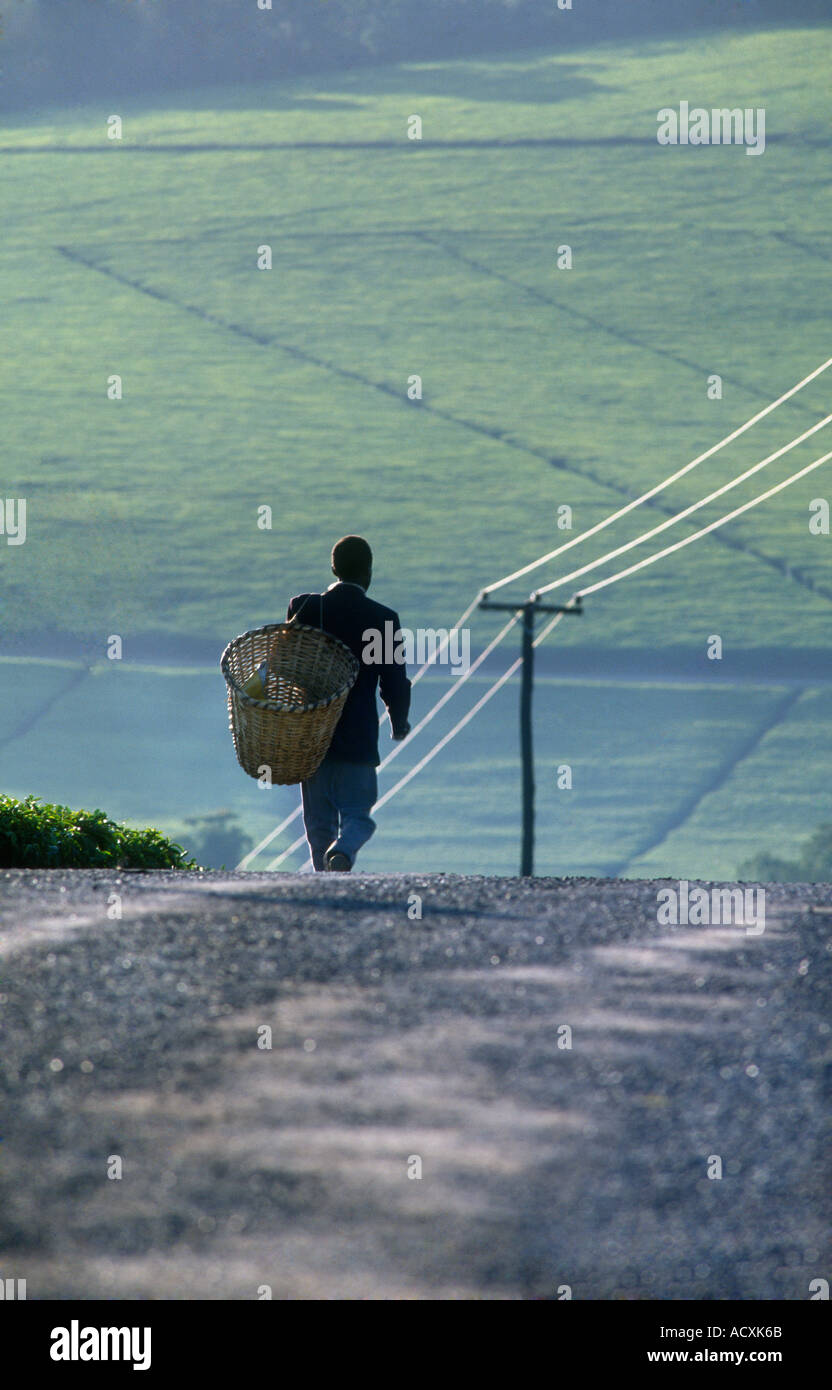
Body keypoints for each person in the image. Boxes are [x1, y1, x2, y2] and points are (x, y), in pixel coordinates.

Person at [288, 536, 411, 872]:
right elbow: (393, 679)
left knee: (317, 826)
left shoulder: (305, 607)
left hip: (312, 740)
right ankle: (343, 851)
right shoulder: (382, 618)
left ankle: (323, 888)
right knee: (359, 817)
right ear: (368, 572)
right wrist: (399, 722)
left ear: (333, 568)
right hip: (357, 738)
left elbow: (288, 663)